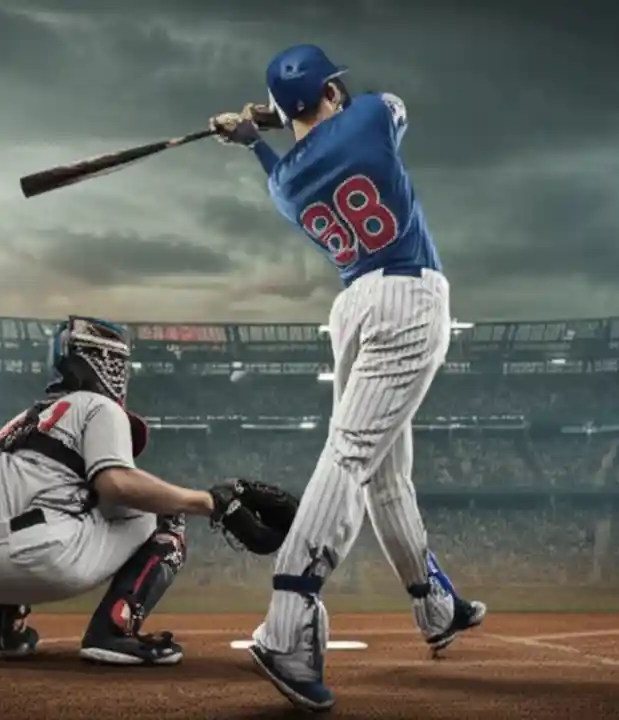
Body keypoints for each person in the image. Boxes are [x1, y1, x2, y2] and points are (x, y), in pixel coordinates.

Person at [209, 44, 487, 711]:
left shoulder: (284, 187)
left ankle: (433, 605)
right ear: (331, 89)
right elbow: (389, 109)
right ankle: (288, 616)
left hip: (354, 305)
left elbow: (292, 153)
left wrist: (255, 136)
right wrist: (267, 122)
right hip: (408, 298)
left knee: (387, 471)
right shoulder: (367, 117)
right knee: (353, 456)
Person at [0, 316, 216, 665]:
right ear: (101, 361)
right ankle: (114, 632)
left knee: (17, 505)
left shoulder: (20, 420)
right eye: (118, 363)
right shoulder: (98, 406)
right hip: (44, 559)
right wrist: (205, 502)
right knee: (166, 513)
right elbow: (117, 484)